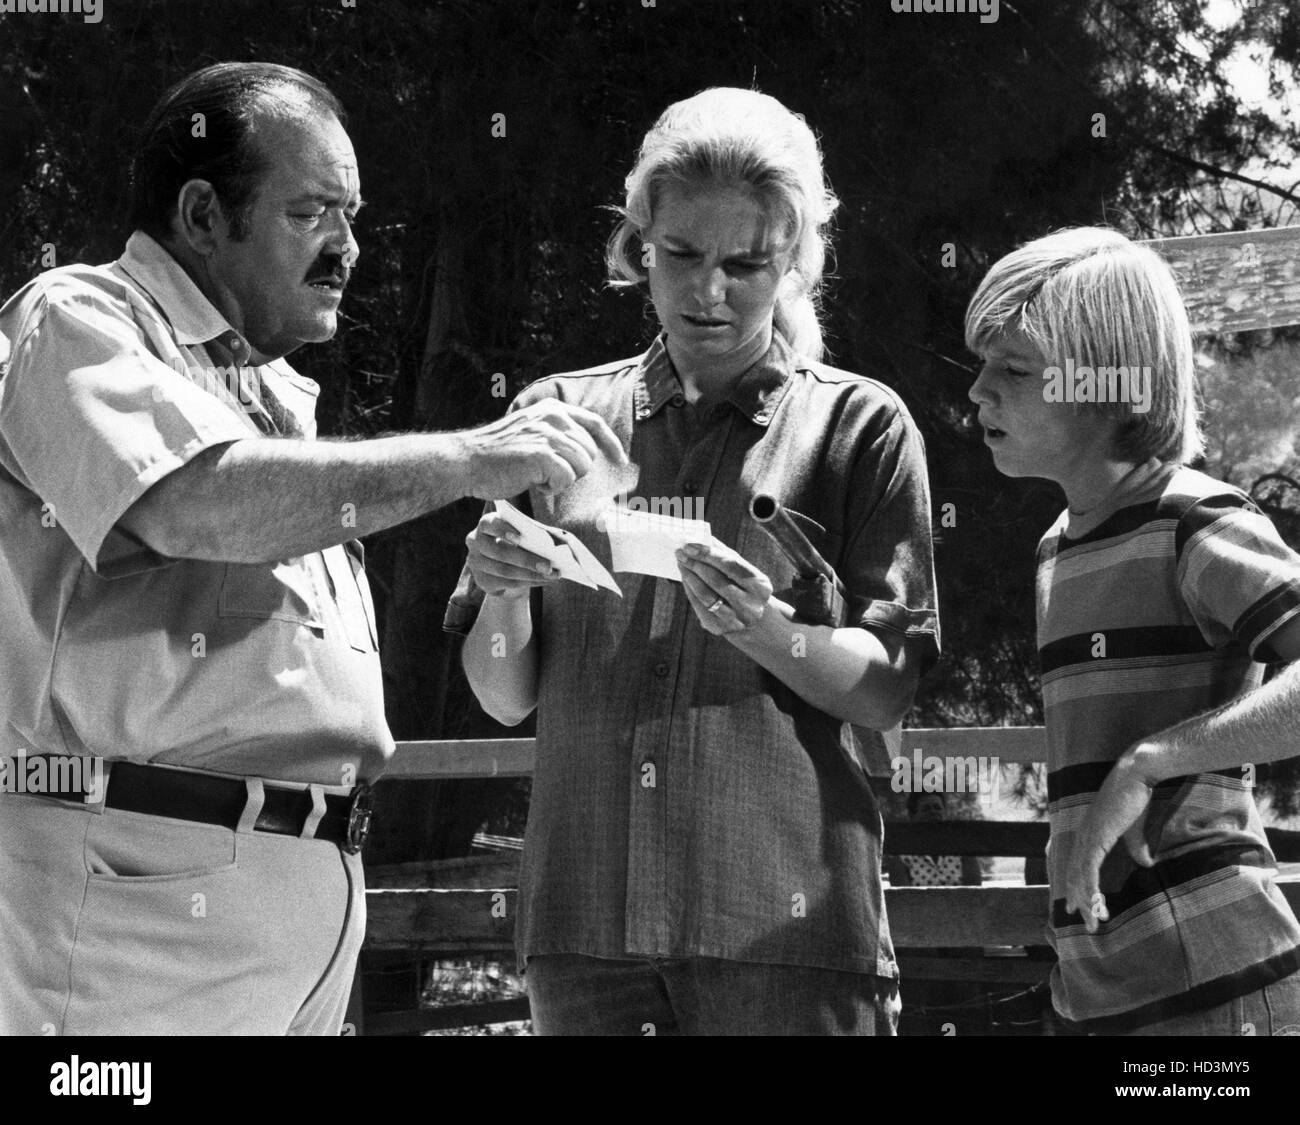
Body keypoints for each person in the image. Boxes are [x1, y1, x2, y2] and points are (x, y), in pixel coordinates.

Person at [0, 61, 623, 1036]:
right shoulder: (77, 317)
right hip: (139, 919)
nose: (349, 249)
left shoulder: (277, 404)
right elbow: (186, 503)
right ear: (203, 213)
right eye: (313, 213)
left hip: (304, 920)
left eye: (355, 216)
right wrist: (469, 458)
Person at [445, 87, 940, 1035]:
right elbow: (505, 695)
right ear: (638, 245)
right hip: (587, 931)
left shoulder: (860, 426)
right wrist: (504, 595)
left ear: (795, 262)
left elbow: (885, 694)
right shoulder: (560, 417)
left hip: (782, 937)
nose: (708, 292)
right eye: (680, 255)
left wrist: (767, 631)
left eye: (746, 264)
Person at [965, 226, 1300, 1035]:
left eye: (1013, 369)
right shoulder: (1057, 547)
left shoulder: (1195, 520)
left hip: (1220, 985)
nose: (977, 391)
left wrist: (1155, 760)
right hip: (1102, 986)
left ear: (1113, 386)